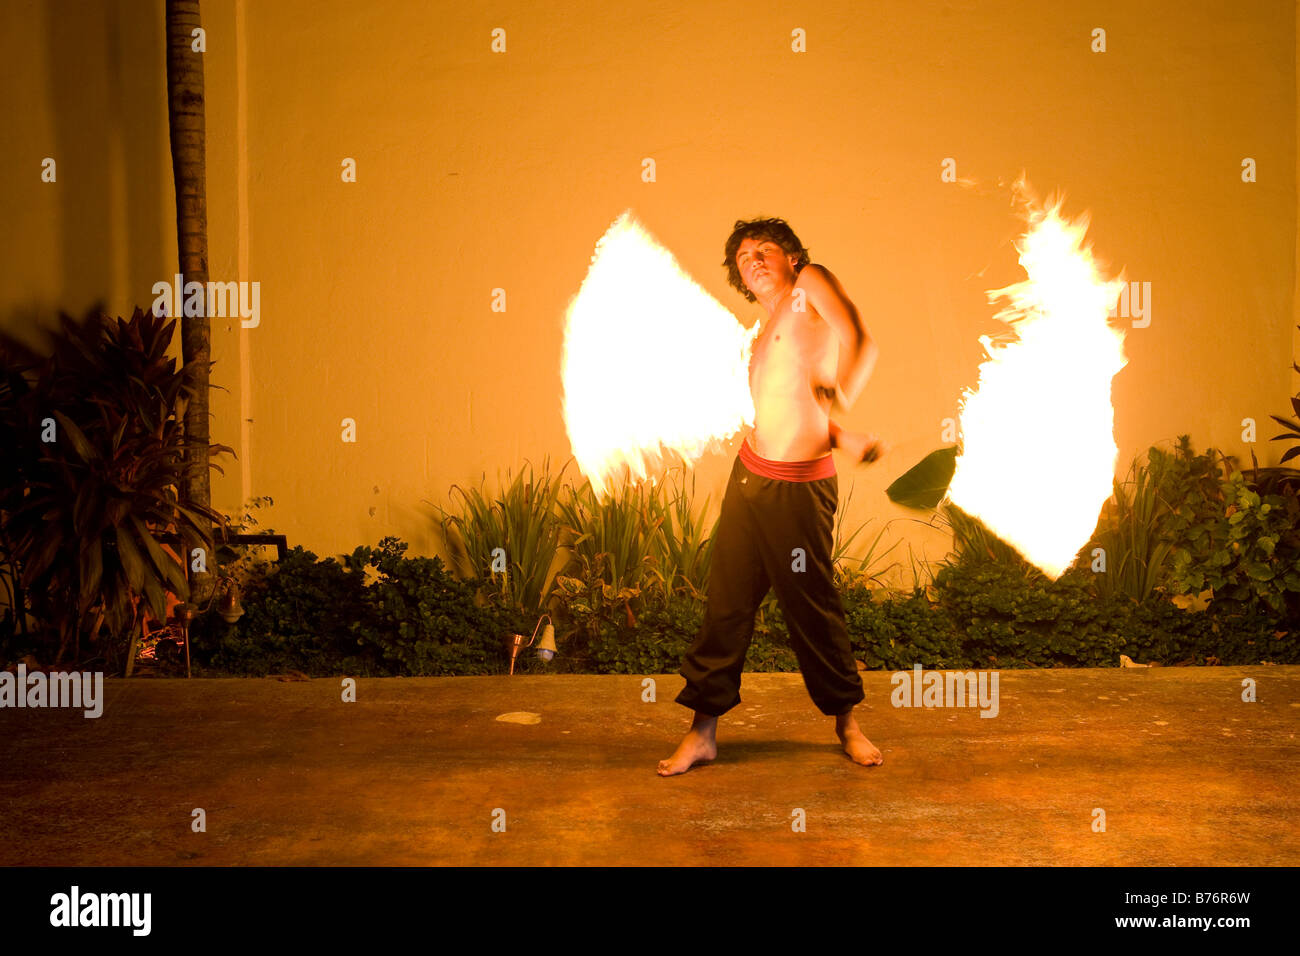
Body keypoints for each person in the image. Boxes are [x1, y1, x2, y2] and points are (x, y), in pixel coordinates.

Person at [657, 217, 887, 776]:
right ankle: (702, 734)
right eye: (742, 257)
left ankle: (848, 724)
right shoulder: (762, 339)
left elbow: (862, 339)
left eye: (765, 249)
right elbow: (796, 413)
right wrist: (842, 435)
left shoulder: (810, 286)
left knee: (812, 607)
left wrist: (845, 394)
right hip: (750, 477)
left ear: (791, 257)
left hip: (798, 491)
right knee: (726, 606)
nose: (753, 259)